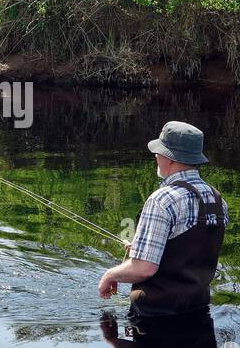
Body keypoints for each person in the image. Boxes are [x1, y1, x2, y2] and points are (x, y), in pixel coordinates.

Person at [97, 120, 228, 319]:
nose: (156, 157)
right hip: (198, 307)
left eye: (158, 153)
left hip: (155, 314)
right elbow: (192, 251)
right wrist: (142, 247)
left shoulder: (162, 200)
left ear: (169, 159)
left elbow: (144, 269)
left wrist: (110, 275)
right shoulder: (218, 200)